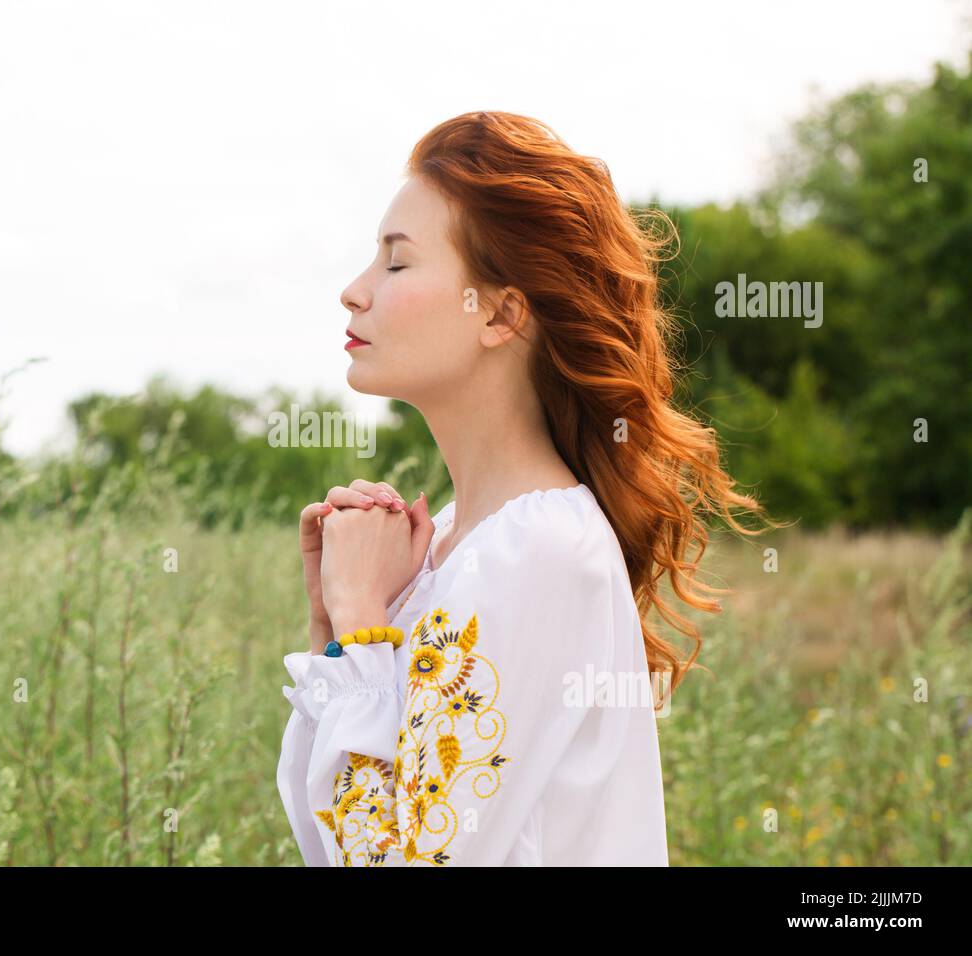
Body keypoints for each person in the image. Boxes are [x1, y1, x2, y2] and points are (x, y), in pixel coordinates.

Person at [276, 111, 766, 866]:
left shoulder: (541, 550)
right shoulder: (447, 545)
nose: (353, 291)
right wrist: (338, 633)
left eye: (396, 264)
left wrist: (363, 620)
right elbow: (333, 841)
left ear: (501, 312)